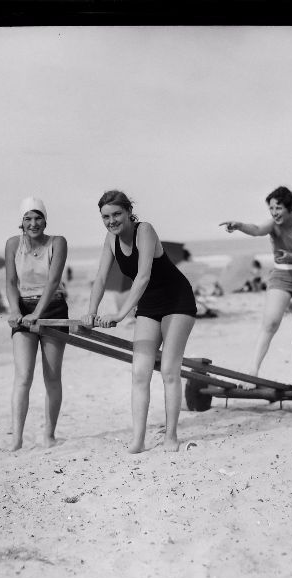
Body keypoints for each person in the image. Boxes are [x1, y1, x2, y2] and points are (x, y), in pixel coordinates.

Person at [86, 190, 197, 454]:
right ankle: (138, 439)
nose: (111, 221)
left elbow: (143, 275)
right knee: (139, 372)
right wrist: (91, 311)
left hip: (177, 300)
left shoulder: (144, 230)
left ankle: (171, 436)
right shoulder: (110, 240)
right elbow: (101, 278)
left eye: (117, 214)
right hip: (149, 303)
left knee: (169, 370)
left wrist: (120, 314)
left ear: (128, 212)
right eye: (105, 217)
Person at [220, 186, 292, 383]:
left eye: (279, 208)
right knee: (271, 323)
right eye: (271, 208)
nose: (274, 213)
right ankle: (252, 371)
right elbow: (257, 230)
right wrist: (239, 225)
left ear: (290, 207)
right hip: (281, 277)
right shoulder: (273, 225)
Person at [5, 196, 69, 451]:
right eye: (28, 218)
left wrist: (38, 313)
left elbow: (53, 281)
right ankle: (17, 439)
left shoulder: (58, 242)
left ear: (45, 220)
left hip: (53, 306)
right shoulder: (13, 244)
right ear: (21, 222)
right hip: (23, 308)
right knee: (23, 376)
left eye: (38, 218)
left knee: (52, 376)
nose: (33, 223)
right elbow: (11, 282)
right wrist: (14, 309)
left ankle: (49, 435)